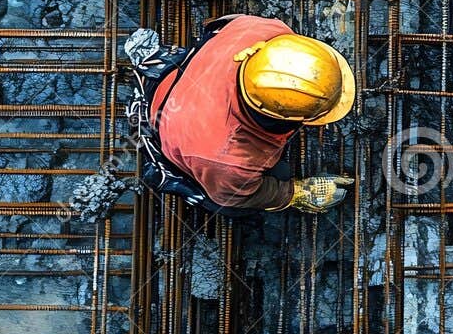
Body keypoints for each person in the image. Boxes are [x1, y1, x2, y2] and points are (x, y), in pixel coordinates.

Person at [147, 14, 355, 214]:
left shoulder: (264, 31)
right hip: (172, 126)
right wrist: (294, 193)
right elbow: (229, 195)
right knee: (261, 185)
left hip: (190, 78)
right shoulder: (227, 160)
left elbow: (219, 25)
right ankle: (171, 177)